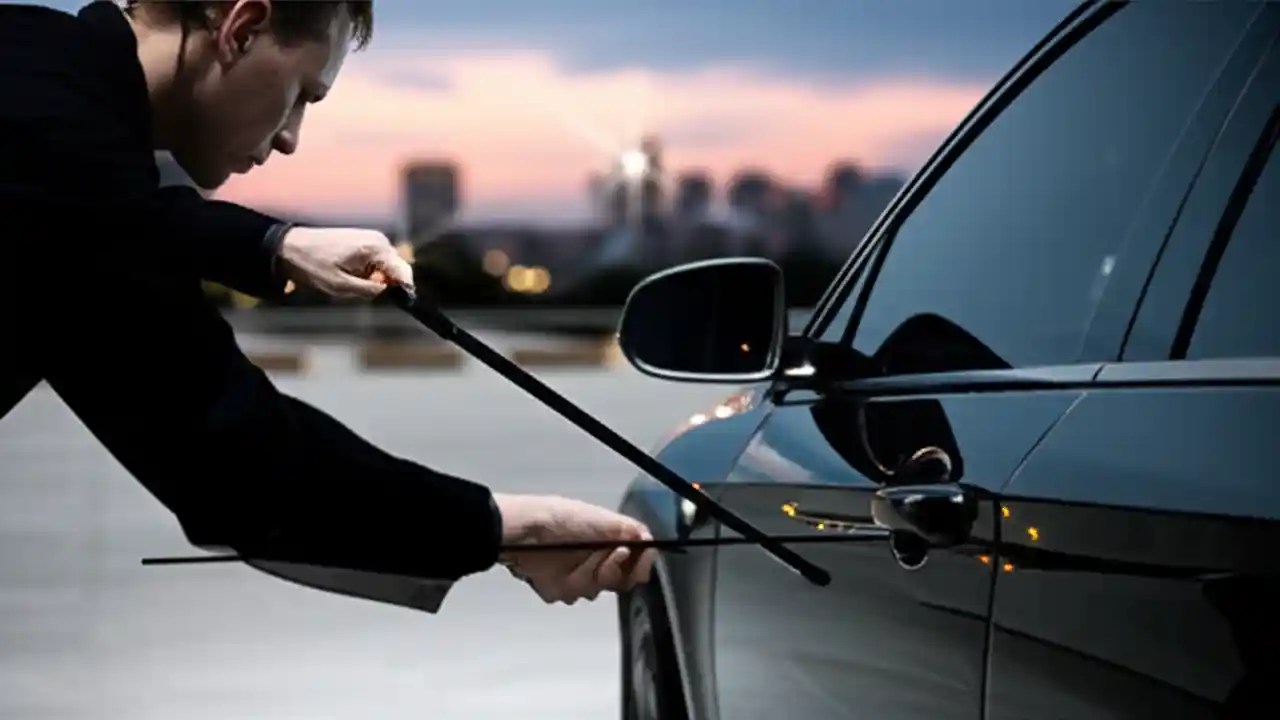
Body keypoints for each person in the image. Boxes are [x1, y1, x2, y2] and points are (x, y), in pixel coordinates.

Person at [0, 0, 657, 612]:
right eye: (302, 95)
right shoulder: (62, 148)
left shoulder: (37, 66)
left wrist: (276, 245)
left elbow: (111, 218)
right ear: (242, 27)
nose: (290, 138)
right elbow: (239, 461)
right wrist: (508, 527)